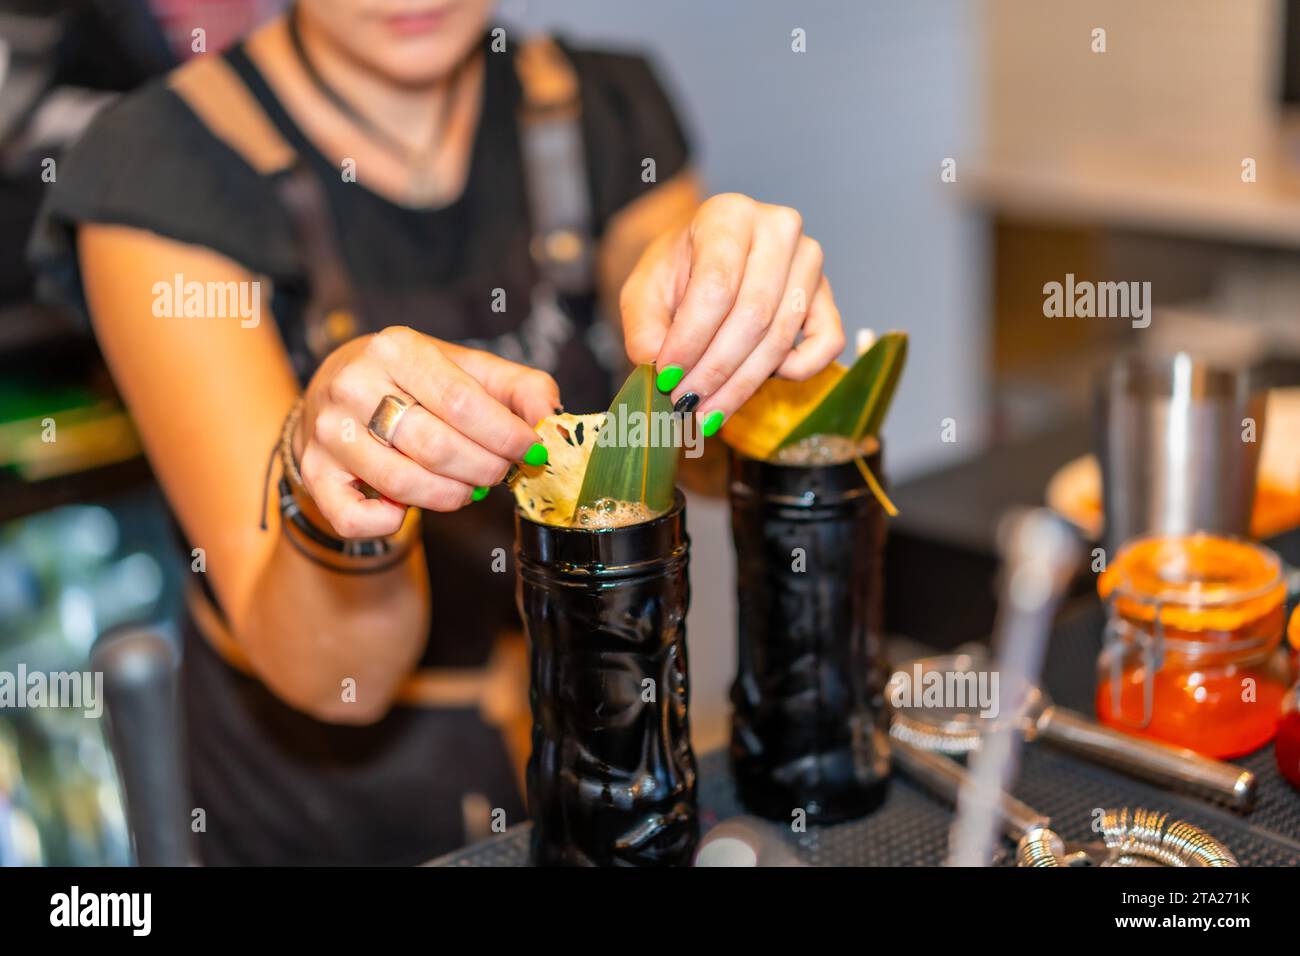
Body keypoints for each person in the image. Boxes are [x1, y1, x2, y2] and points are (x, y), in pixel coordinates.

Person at [30, 0, 845, 865]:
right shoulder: (157, 166)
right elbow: (339, 673)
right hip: (320, 813)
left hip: (593, 760)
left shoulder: (605, 106)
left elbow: (707, 454)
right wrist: (335, 493)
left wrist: (748, 326)